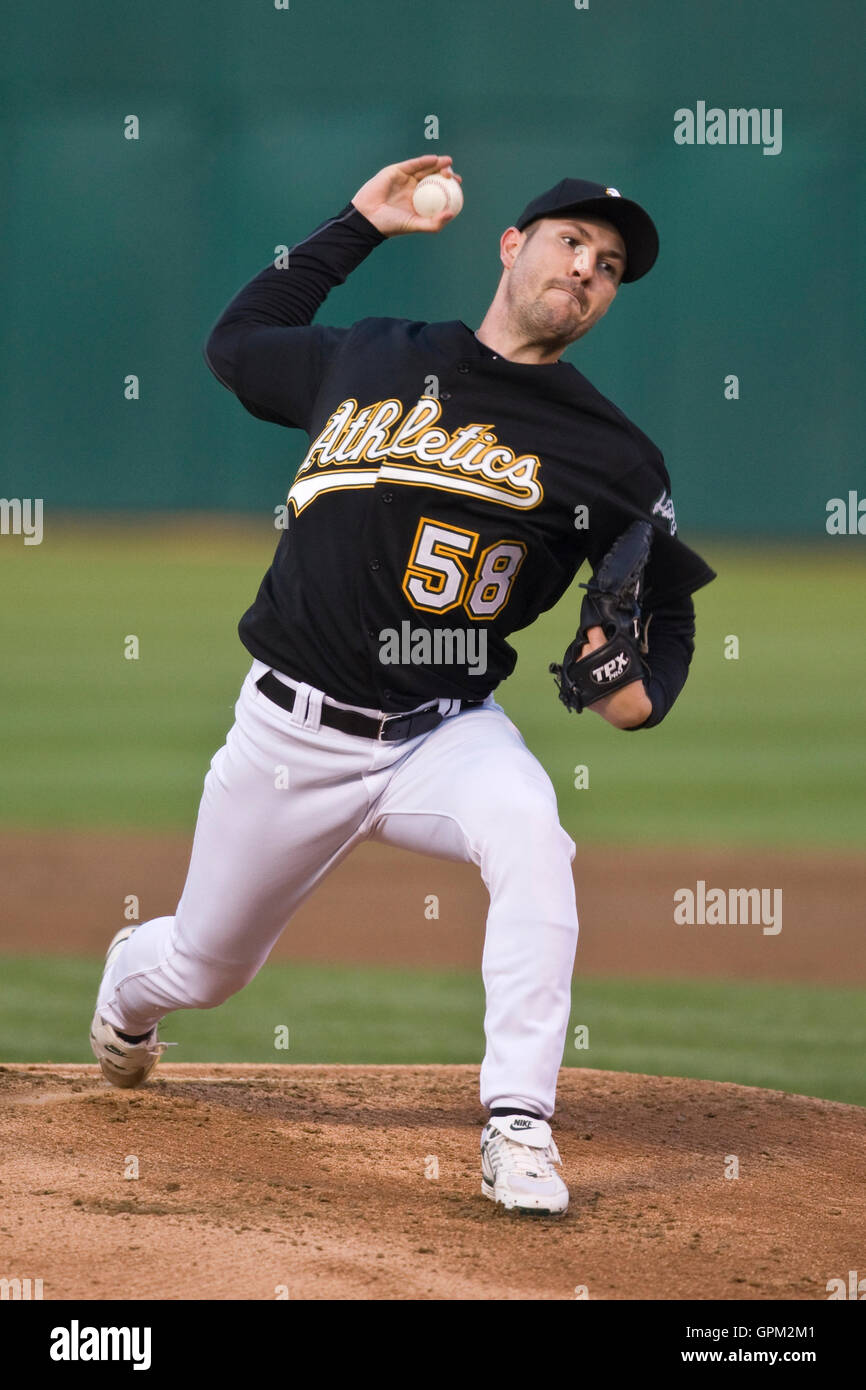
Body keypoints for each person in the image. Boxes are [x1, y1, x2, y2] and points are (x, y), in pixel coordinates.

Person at [90, 154, 714, 1216]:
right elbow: (235, 345)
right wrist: (357, 224)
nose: (587, 270)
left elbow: (663, 598)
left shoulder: (613, 457)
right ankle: (126, 991)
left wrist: (643, 688)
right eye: (571, 241)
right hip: (289, 737)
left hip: (443, 733)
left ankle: (517, 1124)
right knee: (204, 967)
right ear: (513, 246)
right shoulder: (376, 355)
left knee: (529, 828)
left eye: (609, 267)